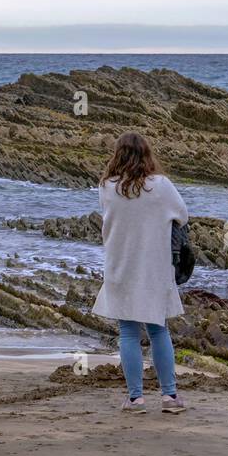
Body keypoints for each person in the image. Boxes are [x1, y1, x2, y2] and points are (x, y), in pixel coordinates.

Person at [92, 133, 188, 414]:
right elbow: (182, 215)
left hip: (120, 265)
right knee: (159, 330)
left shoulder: (107, 187)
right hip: (154, 267)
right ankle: (170, 397)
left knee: (128, 332)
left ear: (117, 155)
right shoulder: (161, 186)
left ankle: (135, 399)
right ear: (147, 154)